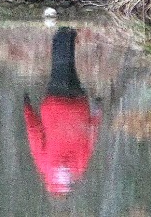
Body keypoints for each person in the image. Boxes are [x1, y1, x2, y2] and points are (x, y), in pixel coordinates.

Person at [23, 27, 99, 196]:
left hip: (78, 109)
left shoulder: (79, 168)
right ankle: (62, 33)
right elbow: (34, 134)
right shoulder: (45, 166)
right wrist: (27, 109)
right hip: (55, 106)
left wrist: (96, 113)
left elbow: (91, 138)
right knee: (60, 68)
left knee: (68, 70)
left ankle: (69, 34)